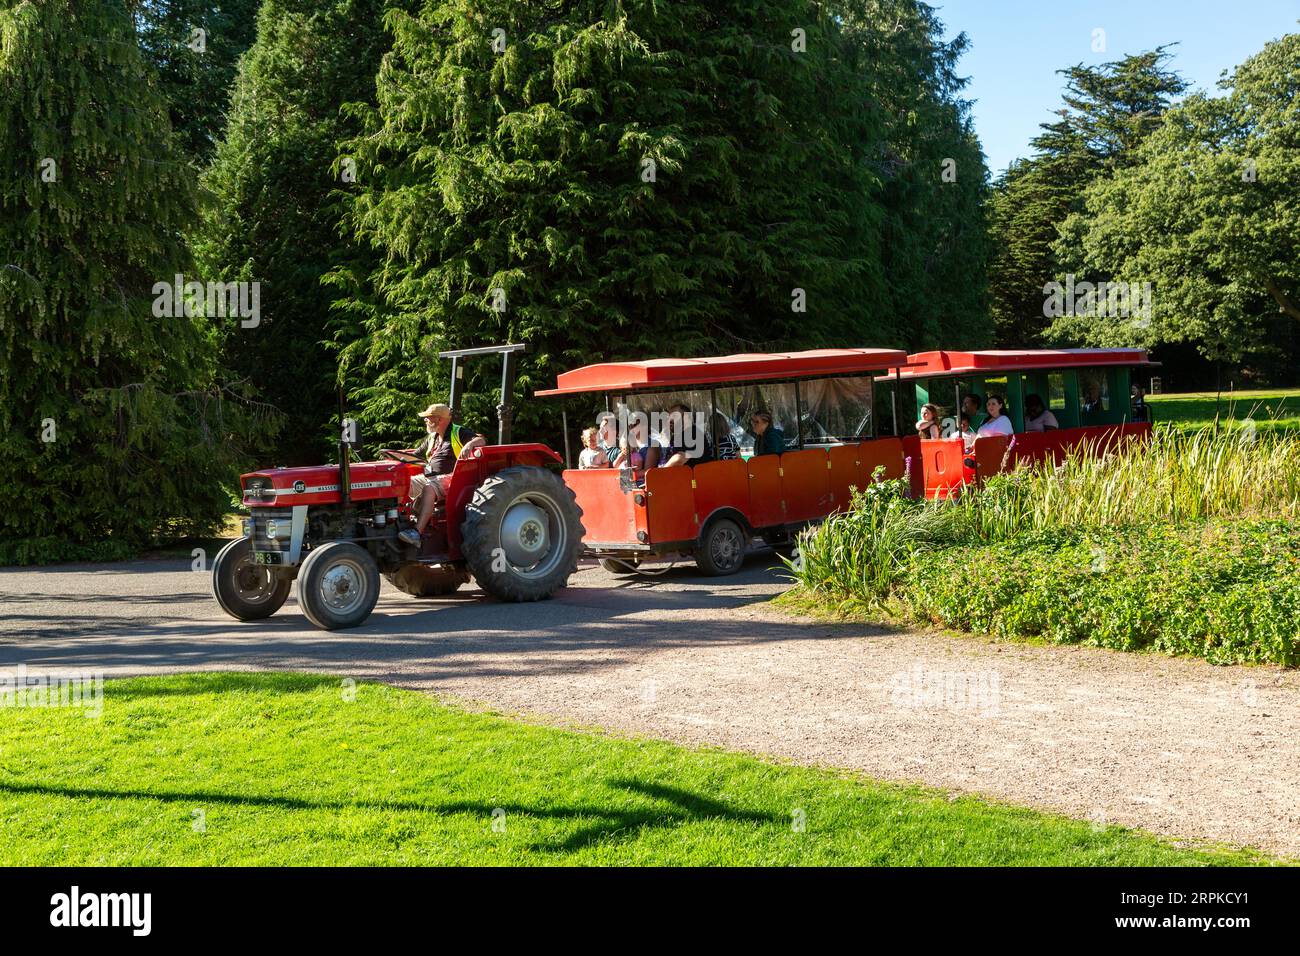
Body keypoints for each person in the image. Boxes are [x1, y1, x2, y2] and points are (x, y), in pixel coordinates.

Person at [399, 403, 485, 546]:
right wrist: (394, 461)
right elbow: (414, 456)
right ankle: (398, 522)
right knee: (404, 483)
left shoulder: (458, 432)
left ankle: (416, 533)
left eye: (428, 417)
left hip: (453, 478)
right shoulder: (432, 437)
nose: (425, 420)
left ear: (439, 420)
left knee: (429, 487)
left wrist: (469, 445)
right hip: (430, 476)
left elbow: (481, 440)